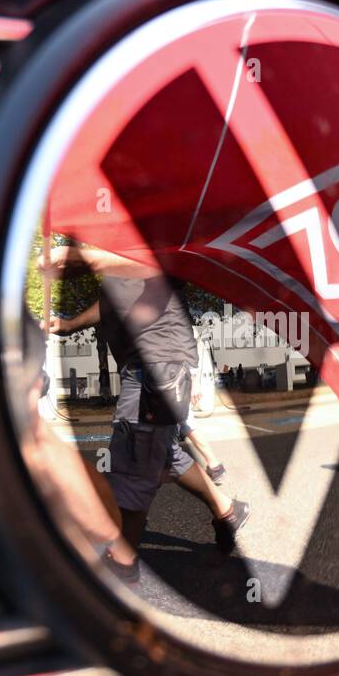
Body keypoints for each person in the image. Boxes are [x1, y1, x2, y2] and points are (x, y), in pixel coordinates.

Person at [45, 244, 250, 584]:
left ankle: (120, 566)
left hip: (157, 365)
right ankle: (227, 510)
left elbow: (159, 264)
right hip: (142, 364)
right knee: (164, 453)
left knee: (131, 464)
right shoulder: (114, 247)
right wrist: (70, 324)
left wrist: (87, 259)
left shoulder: (146, 231)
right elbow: (115, 297)